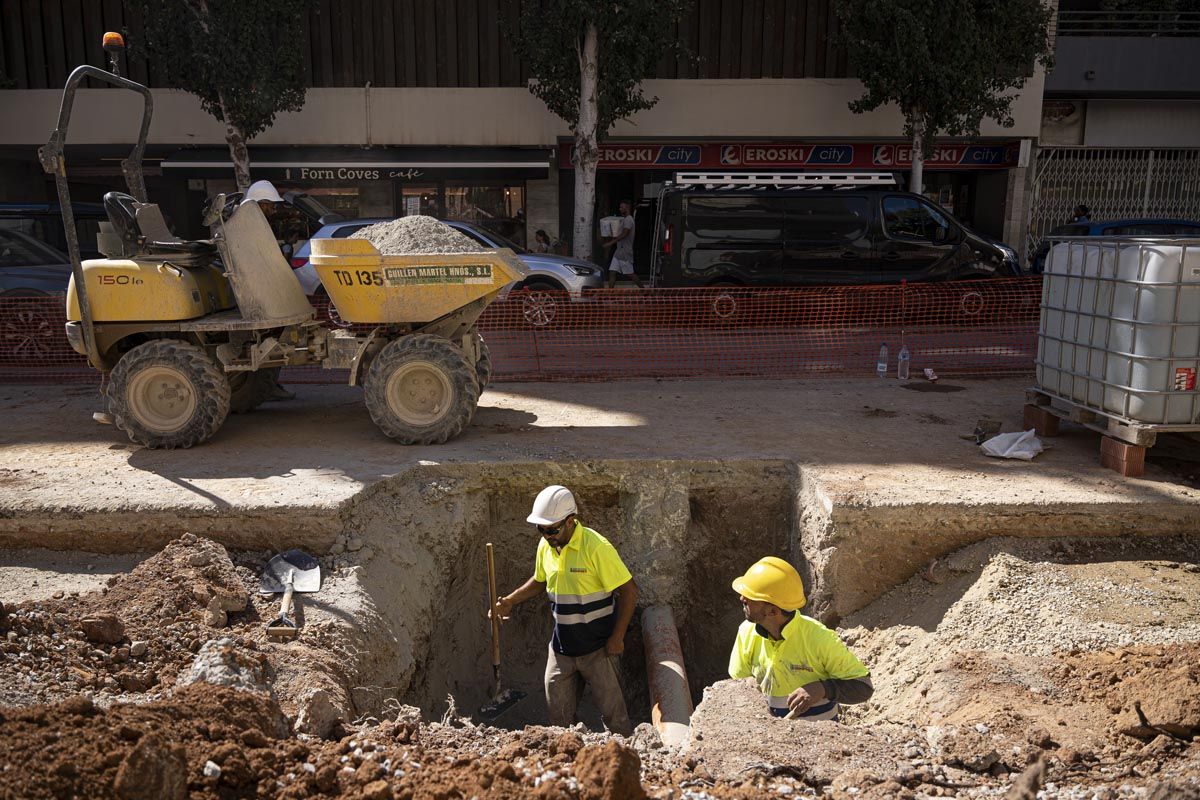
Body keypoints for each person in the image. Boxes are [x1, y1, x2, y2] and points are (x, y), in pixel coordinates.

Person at [492, 485, 637, 735]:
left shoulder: (596, 547)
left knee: (615, 718)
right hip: (562, 650)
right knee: (559, 721)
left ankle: (624, 758)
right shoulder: (546, 545)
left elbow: (629, 591)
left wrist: (617, 638)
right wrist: (511, 601)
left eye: (551, 529)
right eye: (541, 529)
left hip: (599, 649)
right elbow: (540, 580)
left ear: (571, 521)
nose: (546, 535)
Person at [729, 557, 873, 721]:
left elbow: (863, 687)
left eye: (750, 596)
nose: (742, 598)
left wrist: (822, 689)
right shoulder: (746, 632)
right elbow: (739, 686)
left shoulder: (819, 638)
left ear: (773, 612)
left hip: (821, 740)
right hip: (769, 739)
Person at [604, 200, 642, 288]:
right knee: (612, 272)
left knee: (631, 274)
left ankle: (645, 291)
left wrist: (610, 243)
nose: (620, 209)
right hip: (618, 252)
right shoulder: (624, 219)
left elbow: (625, 234)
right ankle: (610, 294)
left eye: (622, 207)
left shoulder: (629, 220)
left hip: (625, 252)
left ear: (627, 208)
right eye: (620, 207)